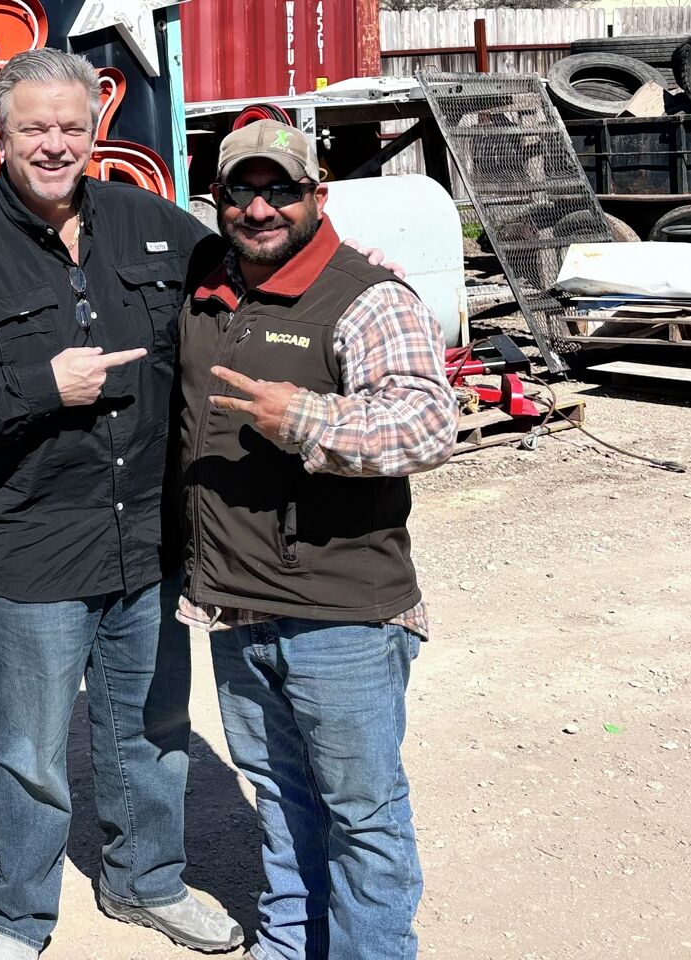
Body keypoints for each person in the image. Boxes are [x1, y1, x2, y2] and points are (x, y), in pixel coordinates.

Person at [0, 47, 242, 959]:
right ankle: (19, 916)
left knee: (153, 727)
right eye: (33, 128)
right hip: (24, 541)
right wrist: (40, 384)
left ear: (96, 131)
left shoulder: (151, 224)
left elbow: (250, 276)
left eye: (70, 127)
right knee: (31, 750)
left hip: (144, 536)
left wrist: (353, 279)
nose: (54, 144)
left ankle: (146, 883)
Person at [176, 121, 455, 960]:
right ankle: (291, 944)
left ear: (316, 196)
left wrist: (303, 419)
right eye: (241, 191)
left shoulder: (370, 296)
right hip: (235, 608)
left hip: (343, 615)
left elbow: (428, 423)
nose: (261, 208)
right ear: (217, 202)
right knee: (279, 797)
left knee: (361, 813)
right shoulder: (205, 289)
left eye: (281, 189)